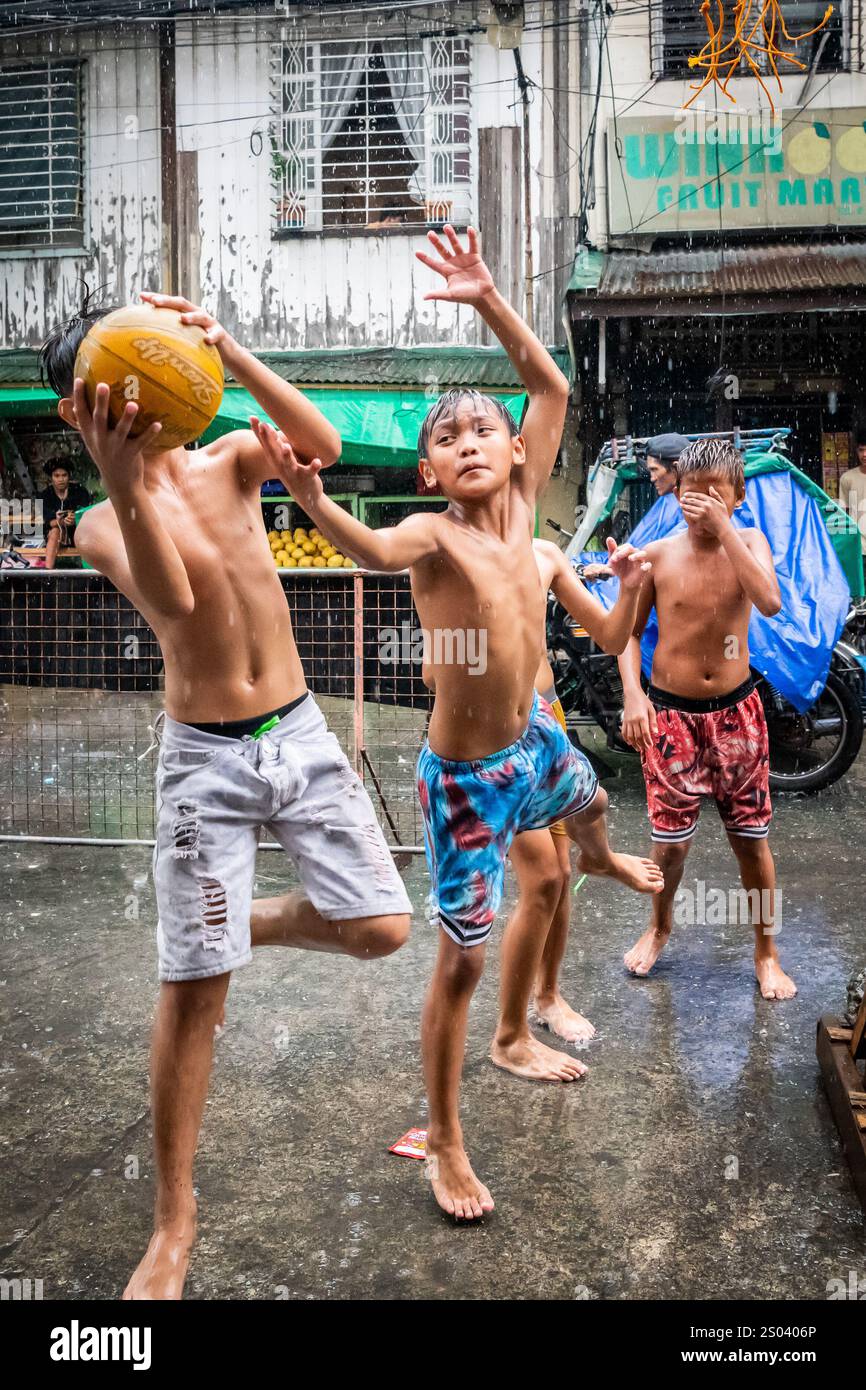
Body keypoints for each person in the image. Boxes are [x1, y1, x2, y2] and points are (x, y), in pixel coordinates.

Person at [251, 226, 664, 1220]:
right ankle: (444, 1138)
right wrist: (310, 500)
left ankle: (538, 983)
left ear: (514, 448)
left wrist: (485, 300)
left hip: (534, 747)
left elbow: (553, 389)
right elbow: (371, 549)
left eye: (485, 426)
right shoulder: (430, 532)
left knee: (579, 822)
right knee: (463, 955)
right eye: (448, 437)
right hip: (469, 778)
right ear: (430, 472)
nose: (471, 439)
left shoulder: (530, 521)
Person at [39, 291, 412, 1299]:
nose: (144, 378)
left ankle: (241, 920)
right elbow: (173, 601)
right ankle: (172, 1217)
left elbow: (322, 440)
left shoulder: (230, 460)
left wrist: (224, 342)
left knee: (381, 927)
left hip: (297, 732)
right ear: (82, 409)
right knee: (195, 994)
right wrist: (122, 487)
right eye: (117, 375)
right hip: (204, 761)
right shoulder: (94, 525)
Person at [617, 437, 796, 1002]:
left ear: (738, 496)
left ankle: (767, 952)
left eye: (714, 496)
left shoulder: (750, 541)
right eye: (691, 496)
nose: (700, 506)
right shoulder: (661, 555)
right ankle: (660, 926)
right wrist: (633, 697)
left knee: (751, 843)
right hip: (670, 717)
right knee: (668, 848)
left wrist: (725, 530)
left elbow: (768, 601)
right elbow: (624, 630)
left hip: (737, 716)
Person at [492, 535, 651, 1069]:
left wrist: (626, 588)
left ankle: (548, 996)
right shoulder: (454, 551)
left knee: (562, 869)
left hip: (548, 717)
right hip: (496, 735)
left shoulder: (542, 553)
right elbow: (432, 672)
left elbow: (610, 635)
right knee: (542, 879)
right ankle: (511, 1033)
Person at [40, 460, 91, 568]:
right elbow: (48, 522)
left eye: (64, 475)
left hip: (77, 532)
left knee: (86, 533)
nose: (61, 479)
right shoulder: (45, 495)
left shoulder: (80, 492)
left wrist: (74, 519)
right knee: (54, 531)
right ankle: (47, 575)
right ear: (51, 478)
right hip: (56, 534)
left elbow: (86, 514)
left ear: (69, 476)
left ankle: (90, 573)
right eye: (56, 476)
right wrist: (61, 521)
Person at [839, 429, 866, 578]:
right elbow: (842, 511)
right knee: (859, 590)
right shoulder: (847, 478)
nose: (864, 455)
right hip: (858, 546)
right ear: (856, 451)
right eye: (861, 450)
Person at [644, 432, 691, 498]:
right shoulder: (669, 501)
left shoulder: (700, 504)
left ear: (677, 468)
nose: (652, 479)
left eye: (654, 469)